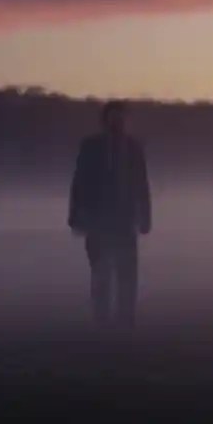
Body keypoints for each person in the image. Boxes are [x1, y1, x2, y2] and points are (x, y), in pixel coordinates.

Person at [68, 101, 152, 332]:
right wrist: (75, 216)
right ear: (105, 120)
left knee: (127, 272)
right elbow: (79, 182)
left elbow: (141, 184)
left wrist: (145, 216)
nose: (117, 122)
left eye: (121, 117)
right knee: (100, 271)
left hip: (124, 219)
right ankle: (101, 320)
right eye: (113, 117)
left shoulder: (134, 148)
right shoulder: (90, 147)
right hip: (98, 219)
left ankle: (126, 321)